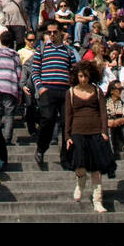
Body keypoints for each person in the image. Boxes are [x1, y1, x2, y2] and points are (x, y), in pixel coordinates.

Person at [64, 61, 111, 212]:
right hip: (77, 131)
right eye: (80, 76)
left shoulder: (97, 91)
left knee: (96, 169)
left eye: (86, 76)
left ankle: (97, 200)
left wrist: (104, 131)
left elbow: (103, 113)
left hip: (95, 131)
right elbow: (68, 115)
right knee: (80, 164)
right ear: (76, 76)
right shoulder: (70, 92)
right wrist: (67, 136)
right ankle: (80, 182)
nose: (83, 79)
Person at [31, 22, 72, 170]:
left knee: (67, 124)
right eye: (50, 32)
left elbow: (73, 71)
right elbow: (35, 70)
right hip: (47, 90)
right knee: (47, 119)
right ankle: (41, 149)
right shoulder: (41, 49)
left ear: (61, 33)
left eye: (55, 32)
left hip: (65, 91)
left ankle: (65, 157)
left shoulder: (68, 51)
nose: (52, 35)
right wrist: (40, 88)